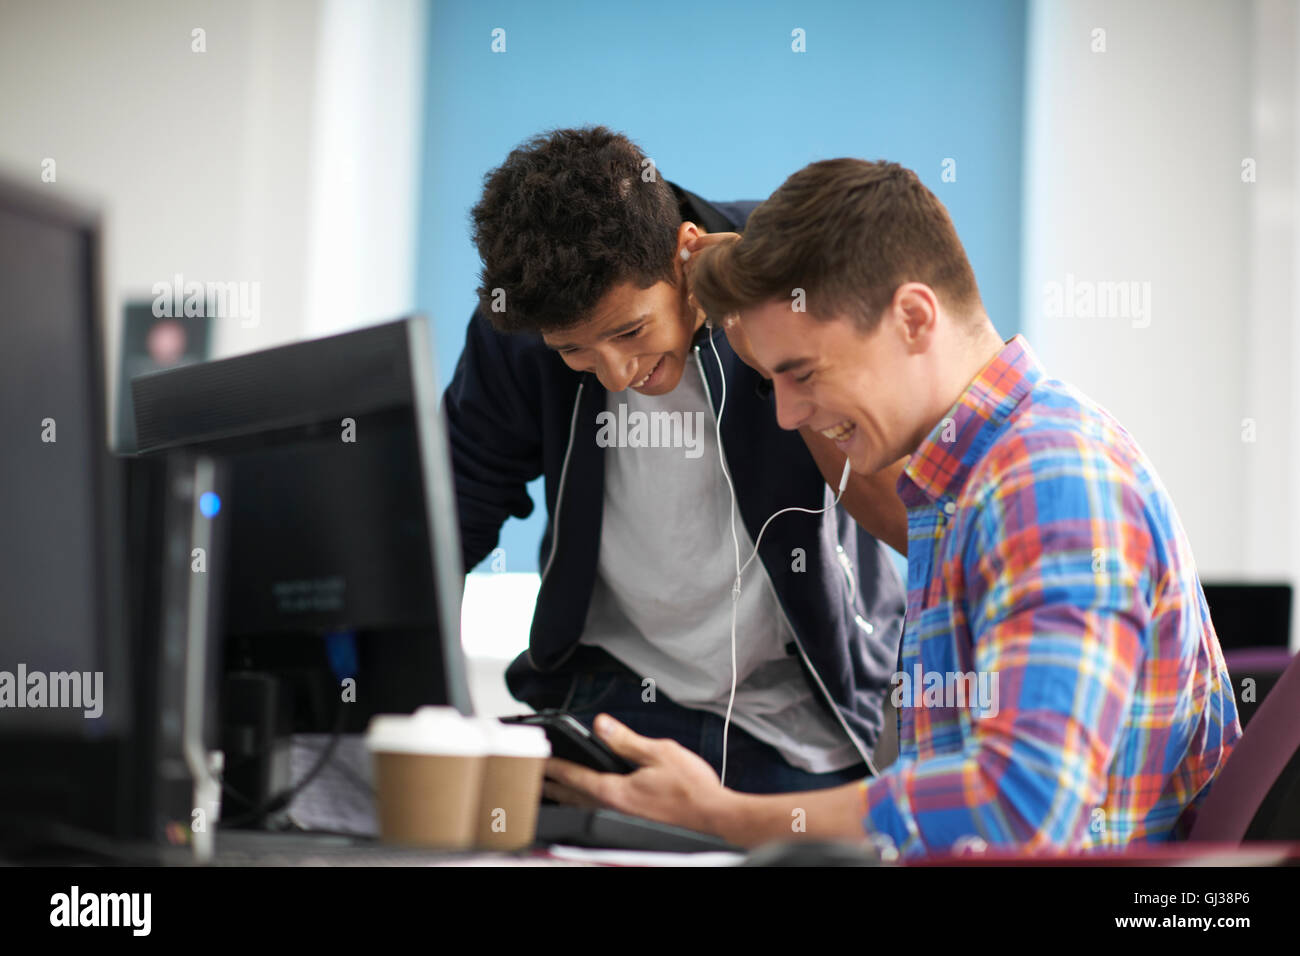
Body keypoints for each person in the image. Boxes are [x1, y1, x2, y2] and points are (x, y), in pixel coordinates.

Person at [544, 157, 1242, 854]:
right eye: (768, 381)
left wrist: (724, 816)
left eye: (802, 373)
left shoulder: (1051, 480)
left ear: (913, 318)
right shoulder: (966, 483)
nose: (787, 418)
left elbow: (1019, 804)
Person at [444, 128, 909, 794]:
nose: (613, 373)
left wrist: (775, 357)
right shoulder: (515, 334)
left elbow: (905, 512)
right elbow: (449, 516)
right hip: (608, 699)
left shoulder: (791, 279)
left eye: (630, 331)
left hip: (807, 713)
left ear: (685, 256)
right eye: (573, 351)